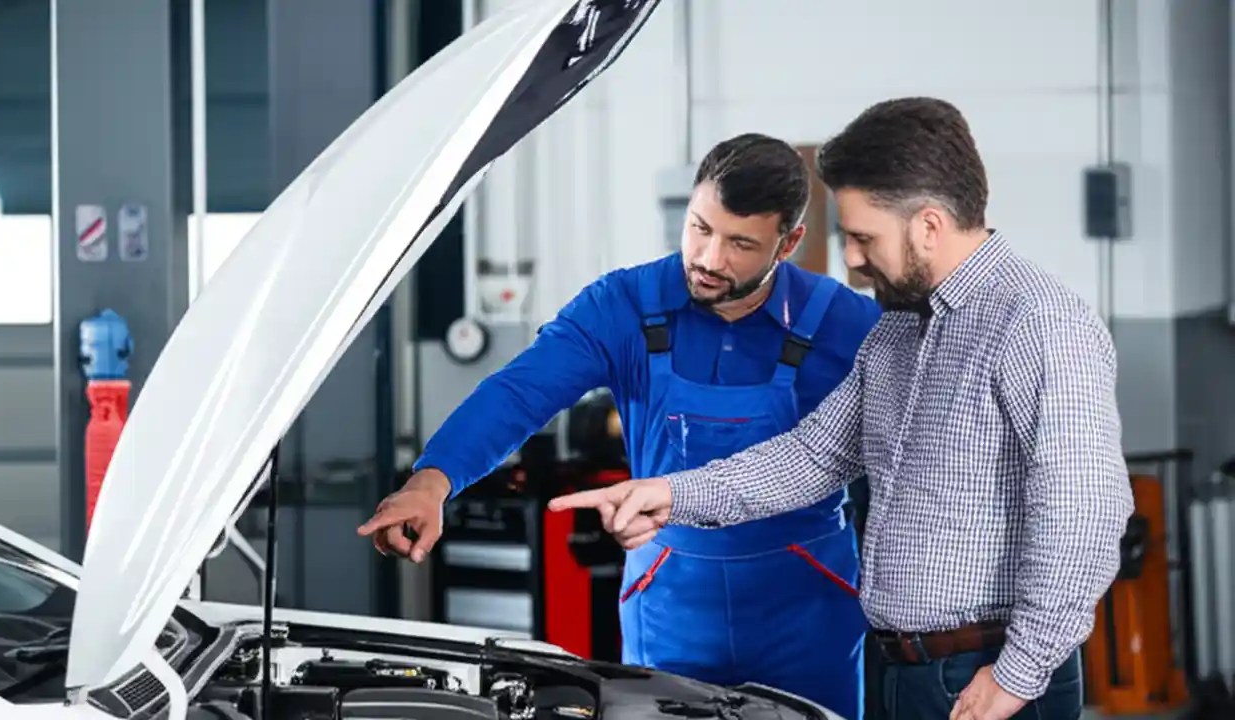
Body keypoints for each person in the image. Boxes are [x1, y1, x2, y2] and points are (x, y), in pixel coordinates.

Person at [549, 97, 1135, 720]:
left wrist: (1019, 675)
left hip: (987, 677)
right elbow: (812, 455)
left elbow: (1085, 513)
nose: (851, 259)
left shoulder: (1038, 323)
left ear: (929, 226)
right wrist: (668, 495)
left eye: (863, 238)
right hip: (897, 669)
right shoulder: (897, 334)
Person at [357, 132, 882, 717]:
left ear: (789, 244)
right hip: (670, 602)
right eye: (701, 229)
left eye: (740, 244)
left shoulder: (846, 322)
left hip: (805, 608)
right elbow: (521, 391)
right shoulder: (625, 305)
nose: (710, 260)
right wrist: (432, 481)